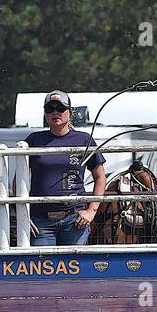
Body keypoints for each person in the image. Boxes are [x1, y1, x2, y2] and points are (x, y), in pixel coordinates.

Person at [25, 91, 106, 246]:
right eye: (50, 108)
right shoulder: (33, 140)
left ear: (70, 112)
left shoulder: (84, 139)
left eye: (60, 108)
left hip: (74, 219)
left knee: (74, 266)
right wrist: (23, 215)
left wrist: (91, 211)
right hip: (40, 220)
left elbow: (100, 177)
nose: (55, 112)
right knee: (42, 267)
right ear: (45, 113)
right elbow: (19, 180)